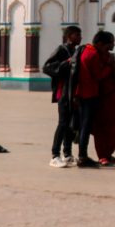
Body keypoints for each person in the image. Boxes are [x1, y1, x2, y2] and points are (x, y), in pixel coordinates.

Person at [44, 25, 83, 164]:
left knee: (71, 125)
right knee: (63, 123)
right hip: (64, 93)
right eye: (77, 35)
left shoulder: (76, 51)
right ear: (69, 36)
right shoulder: (62, 50)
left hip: (73, 94)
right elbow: (47, 67)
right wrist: (65, 63)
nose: (80, 38)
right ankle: (55, 155)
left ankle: (67, 154)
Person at [86, 30, 115, 165]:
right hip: (101, 97)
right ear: (101, 44)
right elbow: (98, 76)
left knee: (113, 125)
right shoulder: (94, 55)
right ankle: (102, 155)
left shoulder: (107, 56)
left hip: (112, 95)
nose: (113, 45)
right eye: (111, 43)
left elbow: (108, 74)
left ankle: (108, 153)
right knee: (101, 127)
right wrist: (110, 66)